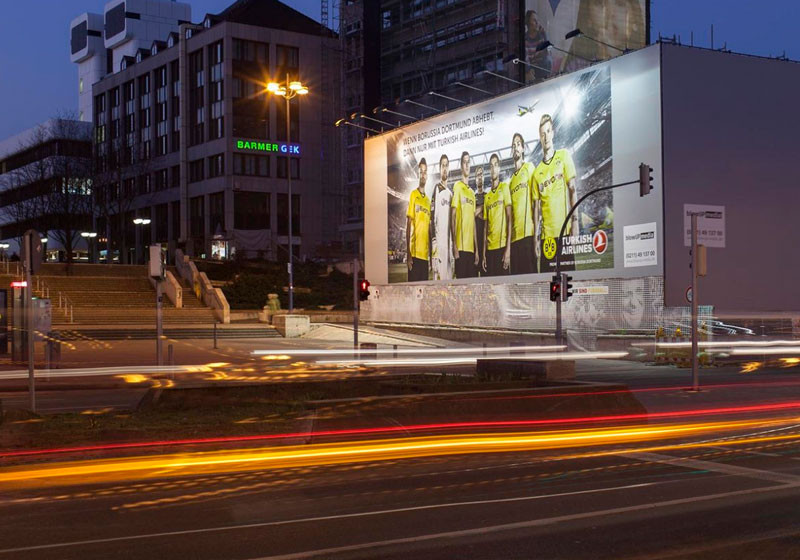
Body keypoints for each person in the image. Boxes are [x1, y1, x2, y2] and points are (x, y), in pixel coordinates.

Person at [533, 113, 578, 273]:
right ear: (540, 137)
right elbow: (536, 210)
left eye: (548, 132)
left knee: (568, 284)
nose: (546, 137)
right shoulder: (537, 172)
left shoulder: (564, 156)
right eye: (542, 134)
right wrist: (535, 240)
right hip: (547, 239)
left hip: (564, 232)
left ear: (553, 133)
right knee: (548, 288)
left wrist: (575, 223)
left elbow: (573, 190)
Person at [508, 132, 538, 275]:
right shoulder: (511, 181)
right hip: (514, 240)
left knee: (531, 283)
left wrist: (536, 236)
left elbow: (536, 202)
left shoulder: (530, 168)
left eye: (518, 144)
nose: (516, 147)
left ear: (523, 148)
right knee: (517, 286)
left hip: (528, 236)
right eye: (513, 145)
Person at [482, 153, 512, 276]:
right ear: (490, 169)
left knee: (504, 291)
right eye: (491, 166)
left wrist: (508, 250)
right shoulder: (487, 197)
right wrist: (483, 254)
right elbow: (485, 228)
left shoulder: (504, 188)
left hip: (502, 249)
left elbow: (510, 218)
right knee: (492, 292)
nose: (493, 168)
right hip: (489, 251)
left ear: (499, 168)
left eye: (496, 165)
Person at [450, 151, 478, 278]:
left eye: (468, 162)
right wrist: (455, 246)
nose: (467, 165)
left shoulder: (472, 193)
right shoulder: (457, 186)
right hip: (460, 250)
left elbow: (473, 225)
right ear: (461, 166)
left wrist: (477, 250)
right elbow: (453, 216)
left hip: (472, 251)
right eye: (464, 162)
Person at [406, 158, 431, 282]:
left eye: (425, 172)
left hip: (425, 257)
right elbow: (408, 224)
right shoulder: (413, 195)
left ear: (427, 175)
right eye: (421, 171)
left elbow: (429, 230)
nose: (423, 174)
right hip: (414, 256)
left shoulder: (428, 200)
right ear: (418, 174)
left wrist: (430, 256)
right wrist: (408, 254)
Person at [431, 154, 453, 281]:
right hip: (439, 246)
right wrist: (434, 249)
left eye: (446, 165)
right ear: (440, 169)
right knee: (439, 285)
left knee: (450, 284)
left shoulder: (450, 194)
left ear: (449, 168)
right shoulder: (436, 189)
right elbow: (432, 219)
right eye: (442, 165)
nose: (444, 168)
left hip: (449, 248)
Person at [473, 164, 486, 276]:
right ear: (475, 179)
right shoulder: (472, 197)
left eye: (481, 174)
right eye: (477, 175)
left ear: (484, 177)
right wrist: (483, 207)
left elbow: (488, 216)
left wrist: (478, 211)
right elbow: (471, 214)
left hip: (486, 242)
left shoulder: (488, 196)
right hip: (475, 243)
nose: (480, 177)